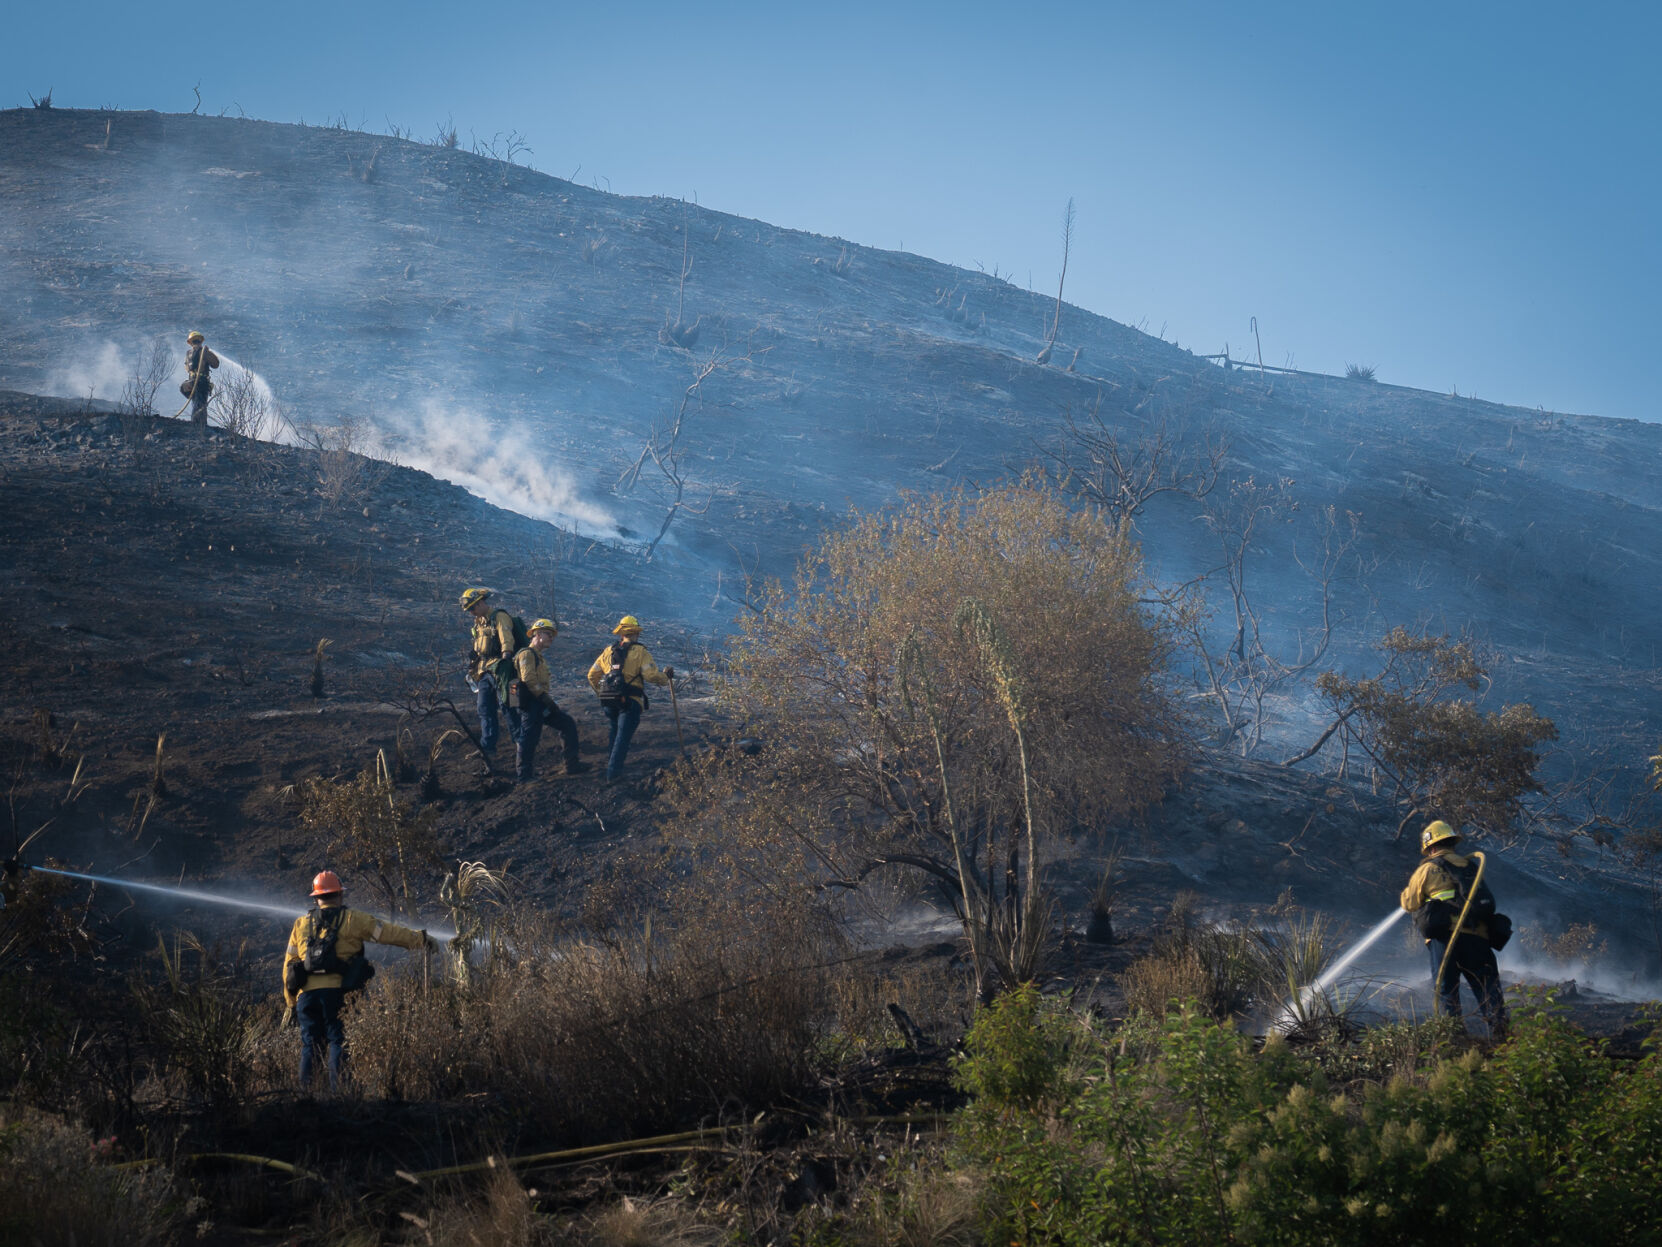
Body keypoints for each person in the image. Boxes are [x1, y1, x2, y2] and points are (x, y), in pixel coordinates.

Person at [281, 870, 436, 1091]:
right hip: (337, 995)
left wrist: (291, 1002)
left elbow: (289, 965)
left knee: (310, 1046)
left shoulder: (301, 924)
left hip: (307, 997)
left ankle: (305, 1098)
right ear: (340, 895)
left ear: (316, 898)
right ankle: (340, 1096)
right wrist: (420, 939)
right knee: (338, 1042)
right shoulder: (354, 919)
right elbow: (389, 933)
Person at [1400, 820, 1509, 1038]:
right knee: (1488, 989)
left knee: (1446, 991)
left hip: (1444, 940)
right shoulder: (1470, 866)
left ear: (1431, 847)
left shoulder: (1427, 869)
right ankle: (1501, 1036)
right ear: (1452, 843)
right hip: (1477, 938)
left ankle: (1454, 1038)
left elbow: (1409, 903)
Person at [587, 615, 674, 782]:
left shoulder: (607, 652)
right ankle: (613, 775)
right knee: (623, 737)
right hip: (631, 701)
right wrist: (665, 677)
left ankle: (611, 766)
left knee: (615, 732)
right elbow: (650, 675)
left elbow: (591, 676)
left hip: (609, 701)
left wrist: (602, 694)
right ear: (636, 633)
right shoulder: (640, 652)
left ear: (621, 634)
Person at [506, 618, 586, 781]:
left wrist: (545, 700)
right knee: (528, 739)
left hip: (539, 703)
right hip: (531, 704)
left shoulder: (537, 656)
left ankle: (572, 765)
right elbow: (528, 679)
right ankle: (524, 777)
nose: (551, 638)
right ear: (537, 634)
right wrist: (544, 698)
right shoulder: (527, 654)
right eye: (549, 634)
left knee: (567, 724)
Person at [461, 587, 518, 757]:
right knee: (484, 708)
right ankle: (488, 748)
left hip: (505, 671)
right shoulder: (479, 623)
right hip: (485, 672)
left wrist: (506, 662)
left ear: (481, 602)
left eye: (472, 608)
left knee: (511, 707)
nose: (471, 612)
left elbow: (507, 641)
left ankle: (522, 745)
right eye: (469, 609)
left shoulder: (500, 617)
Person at [183, 331, 219, 425]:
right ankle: (199, 426)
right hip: (199, 382)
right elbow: (216, 365)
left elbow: (215, 364)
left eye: (196, 341)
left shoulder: (199, 352)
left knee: (198, 403)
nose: (196, 343)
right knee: (200, 404)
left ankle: (198, 425)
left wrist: (207, 354)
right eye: (195, 341)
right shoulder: (193, 353)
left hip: (196, 382)